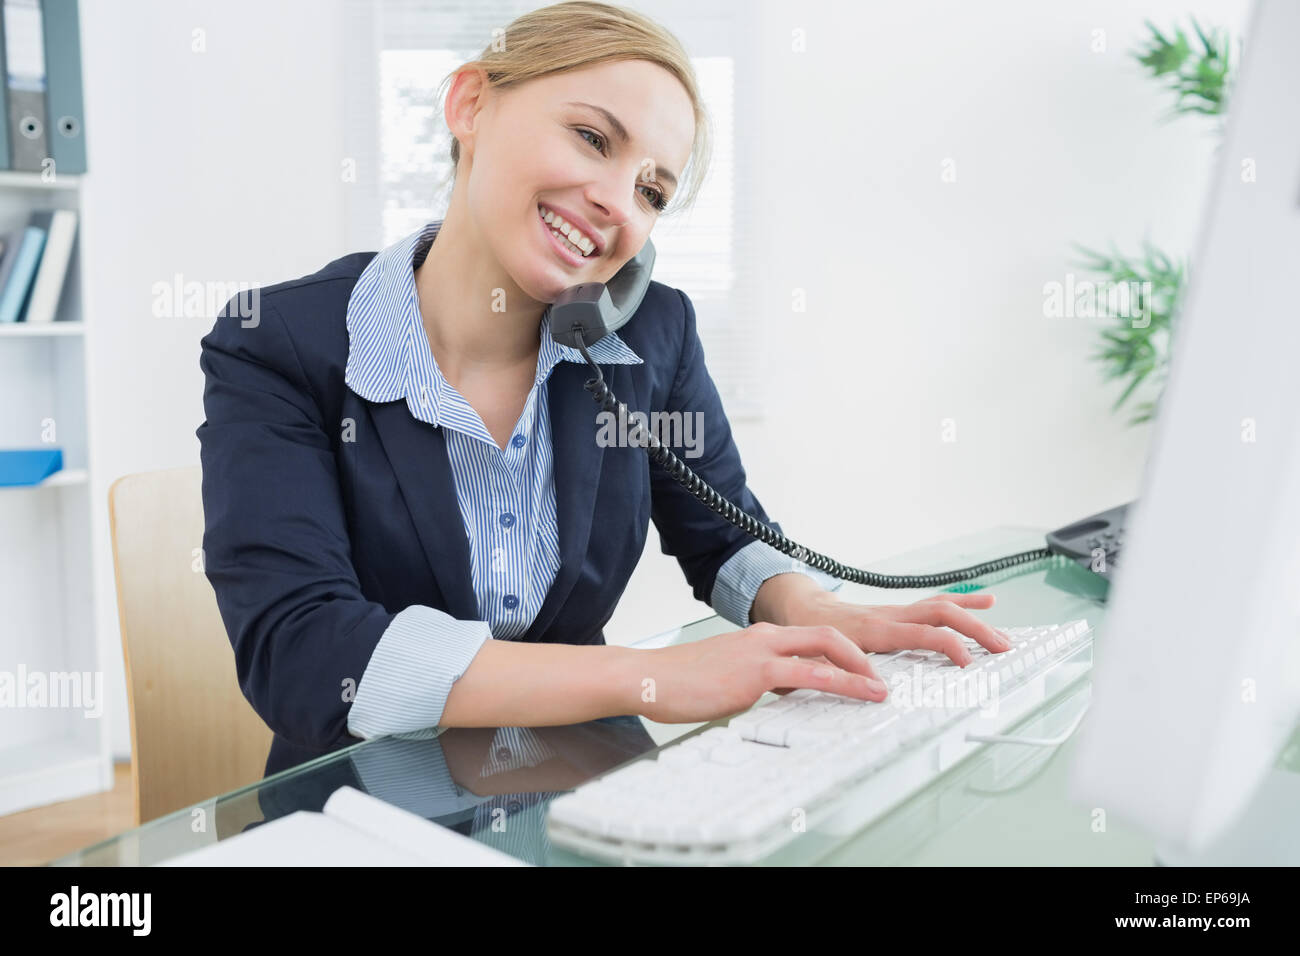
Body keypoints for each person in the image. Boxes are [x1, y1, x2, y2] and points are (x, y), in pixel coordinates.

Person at [197, 1, 1012, 777]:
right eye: (592, 138)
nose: (617, 205)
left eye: (652, 190)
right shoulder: (279, 345)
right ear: (470, 102)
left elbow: (723, 534)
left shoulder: (649, 334)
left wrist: (812, 609)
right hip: (367, 803)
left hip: (580, 785)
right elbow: (305, 655)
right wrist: (648, 677)